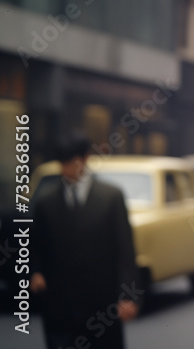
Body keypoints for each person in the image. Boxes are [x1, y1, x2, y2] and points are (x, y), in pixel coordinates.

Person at [31, 135, 138, 349]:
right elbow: (36, 244)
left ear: (85, 159)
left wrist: (127, 296)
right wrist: (36, 271)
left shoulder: (111, 197)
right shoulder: (46, 200)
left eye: (71, 162)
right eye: (63, 163)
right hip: (60, 300)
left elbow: (125, 250)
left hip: (101, 300)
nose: (66, 169)